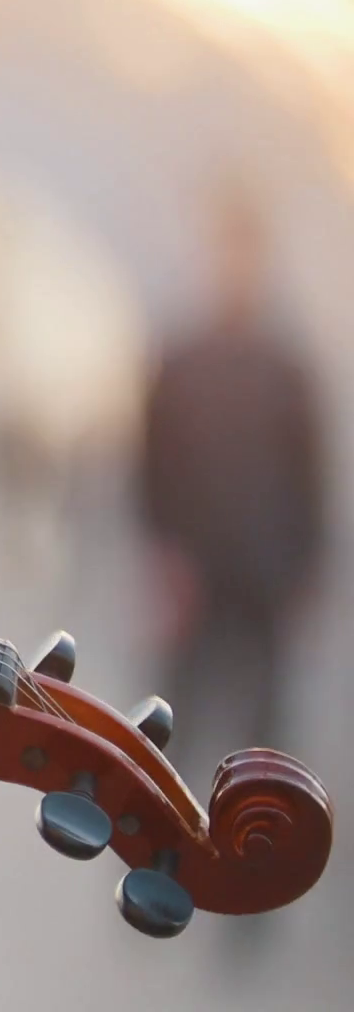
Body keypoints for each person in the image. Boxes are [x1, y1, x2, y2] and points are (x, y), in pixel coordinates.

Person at [139, 186, 325, 774]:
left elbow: (309, 477)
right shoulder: (182, 358)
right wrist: (166, 557)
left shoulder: (288, 366)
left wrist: (307, 567)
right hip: (197, 574)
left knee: (266, 735)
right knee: (179, 722)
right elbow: (150, 468)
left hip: (265, 575)